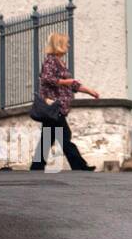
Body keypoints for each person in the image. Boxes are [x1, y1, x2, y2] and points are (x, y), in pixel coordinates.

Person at [31, 32, 99, 171]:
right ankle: (79, 166)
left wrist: (89, 91)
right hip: (53, 106)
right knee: (65, 137)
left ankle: (36, 166)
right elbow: (46, 79)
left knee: (48, 137)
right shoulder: (51, 61)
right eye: (66, 43)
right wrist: (67, 81)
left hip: (58, 107)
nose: (68, 45)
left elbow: (72, 85)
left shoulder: (60, 63)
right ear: (59, 44)